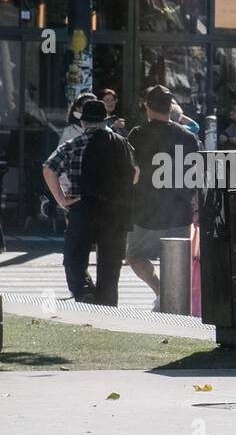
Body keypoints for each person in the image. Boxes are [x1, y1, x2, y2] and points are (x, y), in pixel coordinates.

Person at [42, 99, 138, 305]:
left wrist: (61, 199)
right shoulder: (122, 143)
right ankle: (107, 304)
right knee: (110, 267)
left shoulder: (74, 145)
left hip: (82, 207)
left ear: (84, 123)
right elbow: (135, 173)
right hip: (115, 211)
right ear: (105, 122)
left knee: (74, 257)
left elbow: (49, 168)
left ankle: (84, 292)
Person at [124, 85, 201, 309]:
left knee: (134, 254)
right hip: (180, 210)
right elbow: (196, 175)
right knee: (176, 261)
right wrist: (196, 206)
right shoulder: (188, 137)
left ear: (148, 106)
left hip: (145, 211)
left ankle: (160, 291)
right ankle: (170, 301)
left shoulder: (137, 135)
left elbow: (131, 172)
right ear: (171, 108)